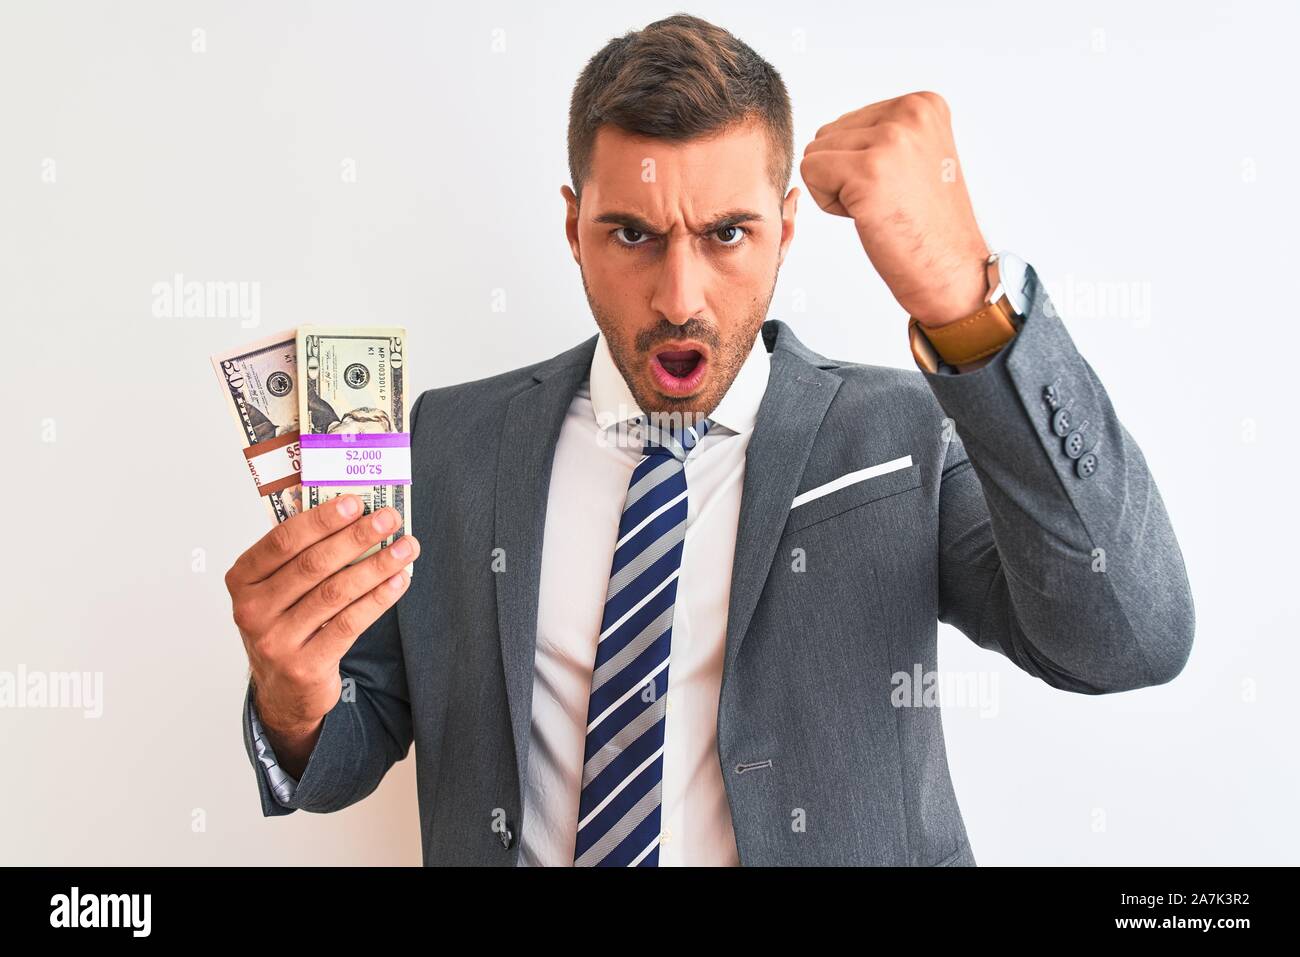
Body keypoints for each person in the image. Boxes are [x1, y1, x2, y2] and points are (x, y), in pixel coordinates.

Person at [224, 14, 1194, 866]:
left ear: (784, 227)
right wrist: (292, 694)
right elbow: (365, 729)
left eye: (726, 234)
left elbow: (1127, 641)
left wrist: (966, 303)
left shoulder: (899, 433)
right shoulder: (452, 437)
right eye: (633, 234)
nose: (679, 298)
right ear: (572, 227)